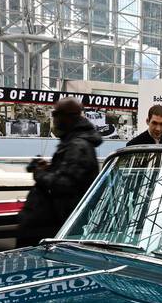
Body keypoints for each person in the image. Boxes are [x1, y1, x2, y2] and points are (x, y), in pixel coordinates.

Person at [15, 98, 103, 244]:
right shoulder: (73, 142)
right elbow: (67, 174)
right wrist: (49, 168)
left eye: (56, 114)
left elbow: (65, 184)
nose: (53, 118)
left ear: (68, 117)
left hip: (55, 223)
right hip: (53, 221)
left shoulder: (78, 145)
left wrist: (40, 173)